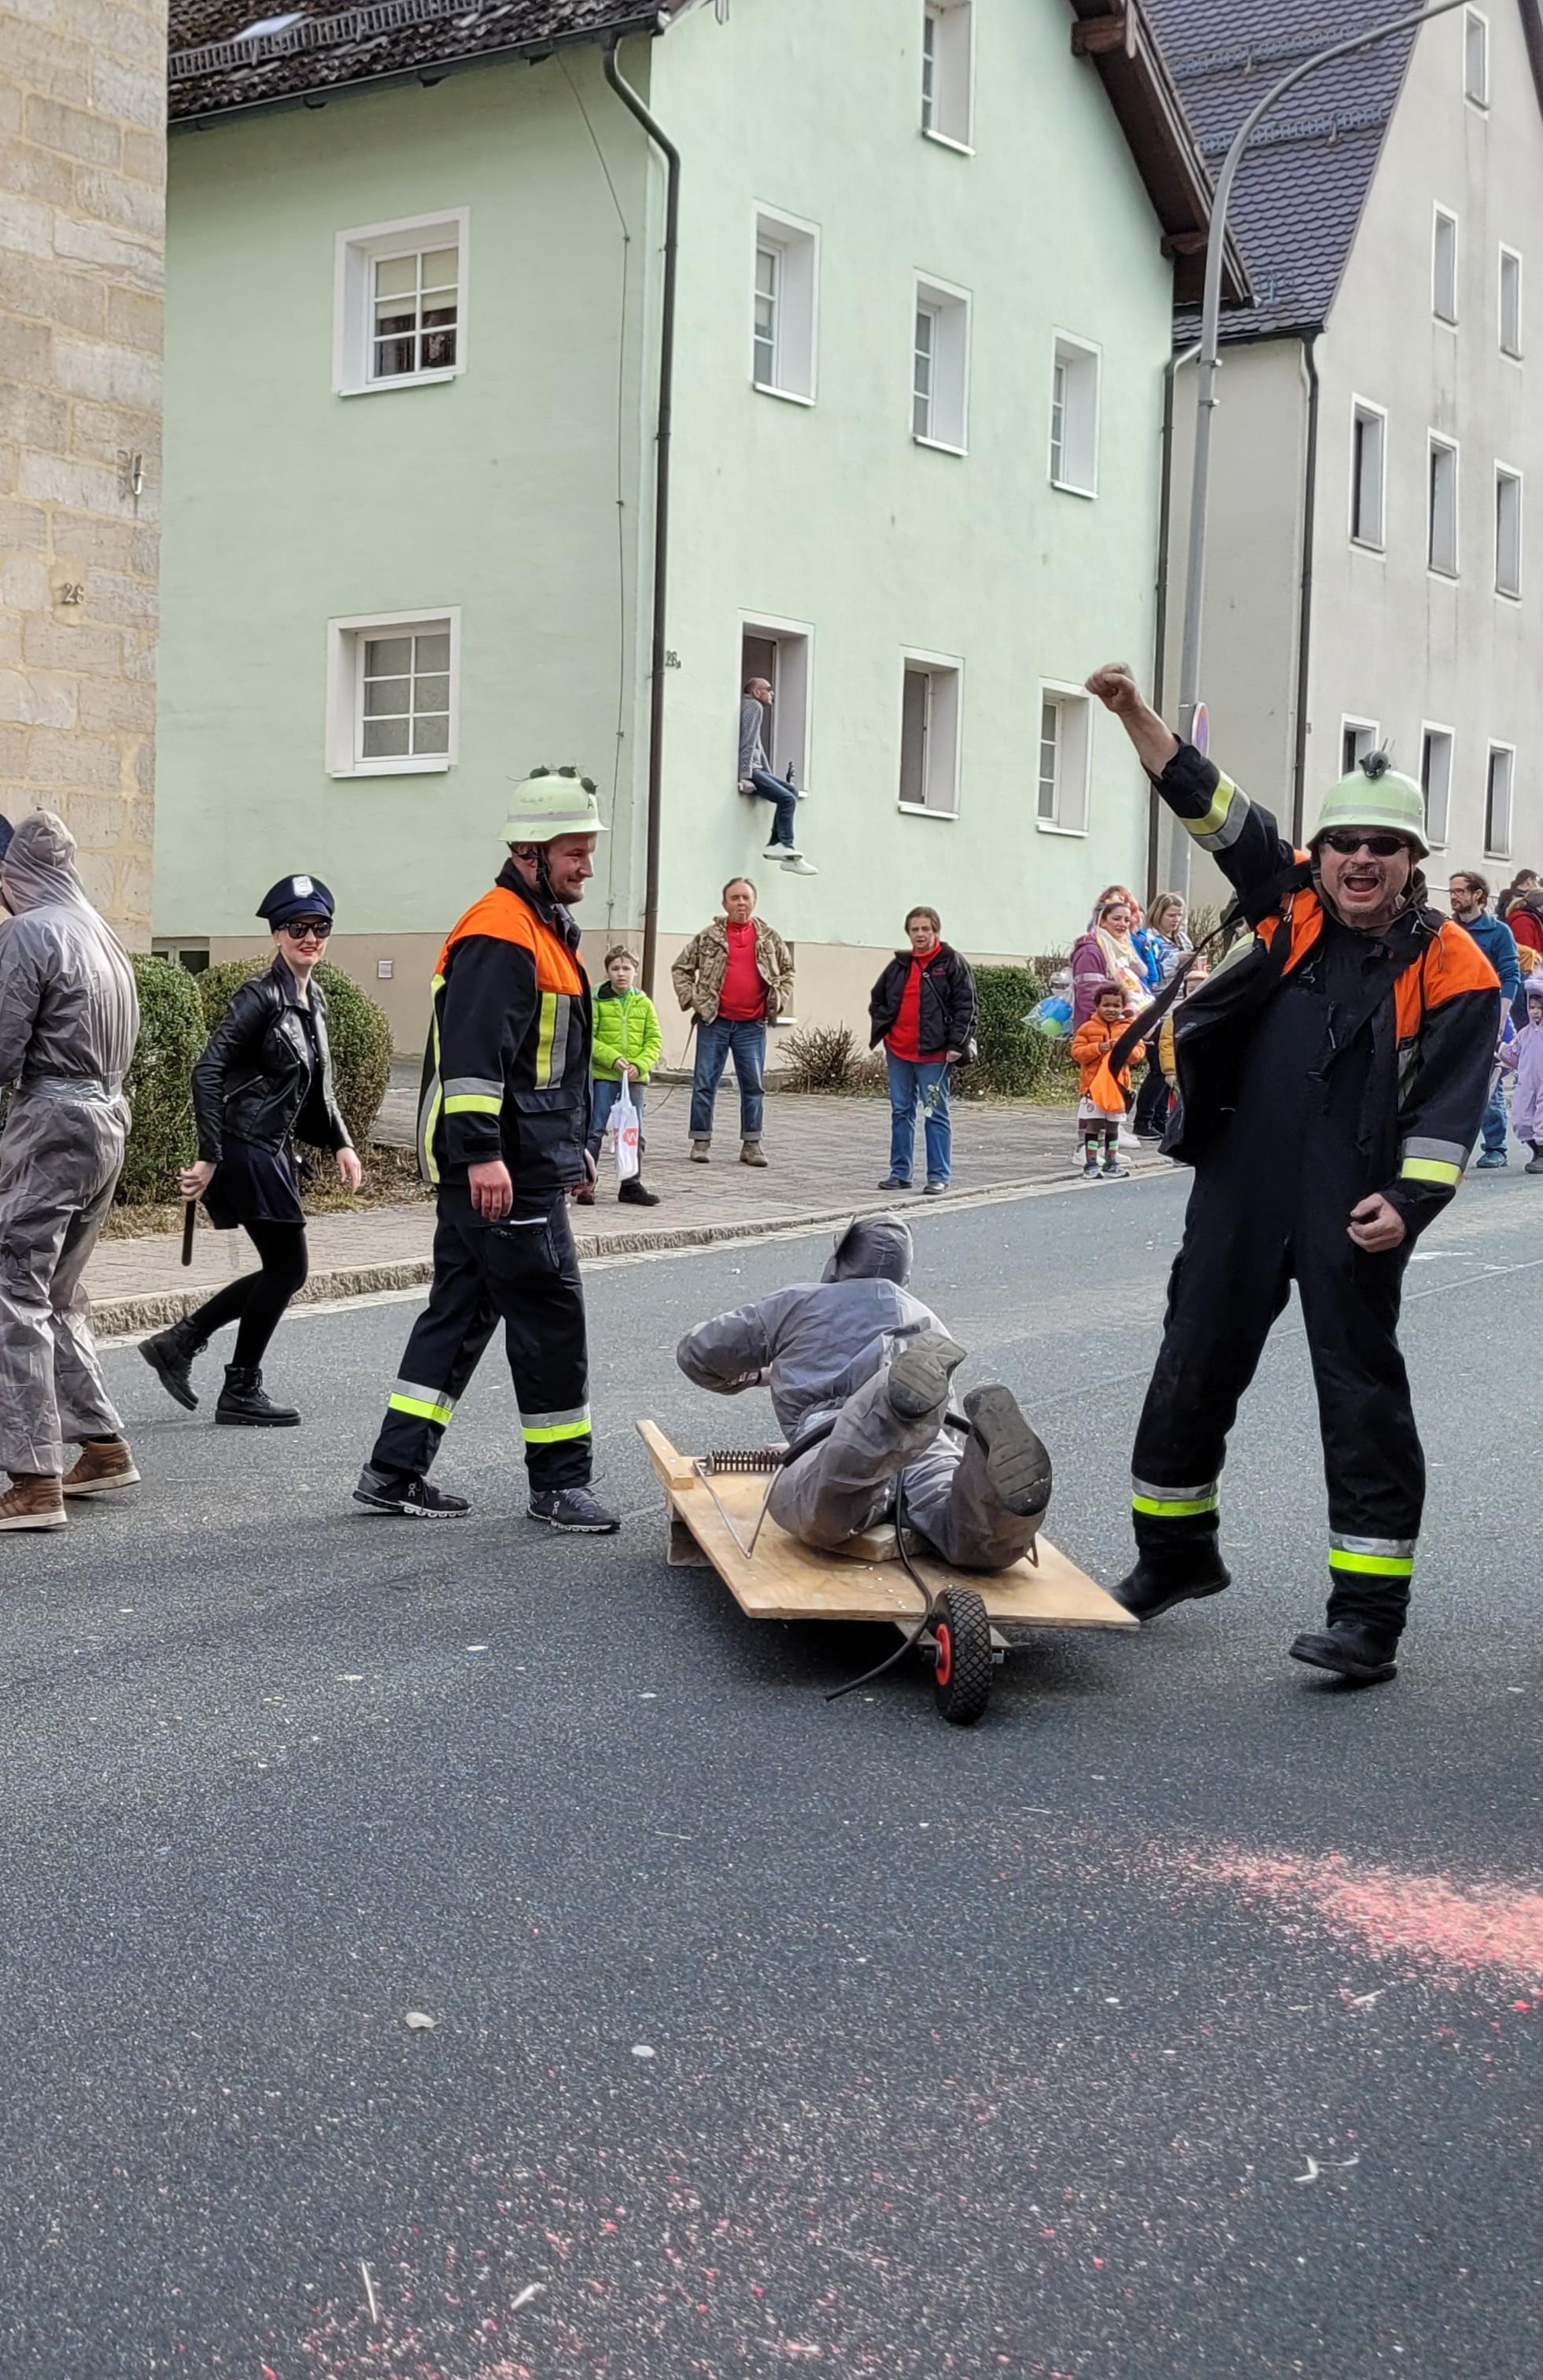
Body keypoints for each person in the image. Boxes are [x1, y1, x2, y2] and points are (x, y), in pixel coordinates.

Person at [1087, 662, 1498, 1686]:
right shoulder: (1286, 897)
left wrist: (1405, 1205)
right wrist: (1132, 711)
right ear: (1318, 855)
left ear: (1412, 861)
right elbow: (1208, 801)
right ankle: (1172, 1554)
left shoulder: (1458, 970)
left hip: (1350, 1200)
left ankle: (1366, 1618)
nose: (1360, 862)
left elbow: (1448, 1120)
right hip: (1241, 1180)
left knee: (1358, 1397)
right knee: (1190, 1362)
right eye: (1345, 844)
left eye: (1384, 847)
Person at [353, 767, 619, 1531]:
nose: (587, 867)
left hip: (511, 1163)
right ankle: (559, 1487)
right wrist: (483, 1157)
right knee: (549, 1316)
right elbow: (474, 1059)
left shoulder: (528, 926)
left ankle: (392, 1471)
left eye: (589, 851)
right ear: (532, 852)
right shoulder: (504, 931)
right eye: (576, 852)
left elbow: (539, 1065)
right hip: (503, 1172)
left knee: (460, 1312)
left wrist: (571, 1149)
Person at [676, 1212, 1052, 1569]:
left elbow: (699, 1353)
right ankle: (993, 1500)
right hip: (927, 1439)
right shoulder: (927, 1321)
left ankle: (880, 1416)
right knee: (958, 1524)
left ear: (838, 1260)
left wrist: (750, 1377)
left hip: (830, 1431)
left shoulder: (798, 1304)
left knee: (816, 1507)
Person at [139, 878, 361, 1425]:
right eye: (297, 928)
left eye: (320, 928)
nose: (310, 938)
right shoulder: (260, 995)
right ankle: (233, 1383)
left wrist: (341, 1144)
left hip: (272, 1148)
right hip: (244, 1146)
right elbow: (208, 1069)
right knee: (287, 1269)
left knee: (283, 1269)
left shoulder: (315, 998)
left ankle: (183, 1344)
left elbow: (318, 1086)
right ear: (277, 933)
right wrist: (210, 1154)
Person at [0, 810, 140, 1531]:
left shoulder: (29, 931)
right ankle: (103, 1444)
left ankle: (32, 1480)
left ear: (8, 874)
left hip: (52, 1122)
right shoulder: (100, 931)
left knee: (12, 1289)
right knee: (59, 1291)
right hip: (107, 1119)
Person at [673, 878, 795, 1167]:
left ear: (754, 901)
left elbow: (788, 971)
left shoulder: (768, 937)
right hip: (715, 1021)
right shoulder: (709, 937)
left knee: (753, 1086)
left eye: (746, 898)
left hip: (751, 1025)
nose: (741, 903)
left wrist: (778, 998)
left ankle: (752, 1144)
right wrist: (694, 1000)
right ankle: (701, 1140)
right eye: (735, 898)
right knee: (704, 1083)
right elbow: (681, 967)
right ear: (725, 903)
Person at [868, 907, 976, 1195]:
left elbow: (967, 1007)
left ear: (936, 931)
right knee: (901, 1111)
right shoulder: (899, 966)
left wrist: (956, 1045)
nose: (920, 934)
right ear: (908, 933)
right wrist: (886, 1030)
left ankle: (938, 1175)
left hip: (935, 1056)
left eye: (925, 929)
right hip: (899, 1052)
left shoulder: (951, 963)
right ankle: (900, 1173)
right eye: (914, 929)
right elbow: (877, 999)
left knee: (935, 1113)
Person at [1446, 870, 1521, 1169]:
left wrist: (1502, 1017)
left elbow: (1511, 976)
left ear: (1478, 894)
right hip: (1452, 1017)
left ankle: (1495, 1146)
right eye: (1451, 891)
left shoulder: (1498, 932)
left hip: (1489, 1017)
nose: (1453, 896)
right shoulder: (1448, 930)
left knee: (1487, 1087)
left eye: (1460, 891)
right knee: (1448, 1085)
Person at [578, 942, 662, 1209]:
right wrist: (612, 1058)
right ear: (608, 972)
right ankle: (586, 1182)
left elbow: (654, 1039)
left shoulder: (643, 1003)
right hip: (605, 1075)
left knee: (633, 1131)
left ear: (635, 972)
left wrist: (640, 1063)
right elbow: (588, 1038)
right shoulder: (597, 1001)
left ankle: (631, 1183)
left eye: (626, 968)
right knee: (596, 1128)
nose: (621, 973)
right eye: (615, 968)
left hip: (634, 1079)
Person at [738, 678, 818, 876]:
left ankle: (778, 844)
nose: (772, 693)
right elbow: (747, 741)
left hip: (757, 769)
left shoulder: (753, 707)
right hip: (751, 770)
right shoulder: (753, 706)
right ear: (757, 693)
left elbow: (759, 748)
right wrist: (745, 775)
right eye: (769, 689)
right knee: (787, 799)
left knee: (791, 791)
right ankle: (784, 843)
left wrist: (769, 776)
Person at [1071, 982, 1143, 1180]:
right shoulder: (1087, 1028)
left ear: (1123, 1007)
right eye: (1106, 1005)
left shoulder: (1129, 1029)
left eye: (1116, 1005)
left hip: (1118, 1089)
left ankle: (1112, 1161)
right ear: (1097, 1006)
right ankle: (1091, 1163)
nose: (1111, 1010)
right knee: (1093, 1125)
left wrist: (1124, 1050)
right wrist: (1097, 1048)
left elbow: (1139, 1052)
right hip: (1093, 1088)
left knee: (1113, 1126)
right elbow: (1077, 1052)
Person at [1132, 892, 1190, 1136]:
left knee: (1172, 1067)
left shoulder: (1182, 940)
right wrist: (1176, 961)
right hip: (1158, 1008)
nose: (1175, 920)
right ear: (1159, 914)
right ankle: (1142, 1121)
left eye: (1179, 916)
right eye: (1171, 915)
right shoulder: (1149, 940)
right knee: (1158, 1068)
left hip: (1178, 1008)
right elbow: (1152, 977)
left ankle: (1159, 1118)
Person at [1069, 893, 1147, 1026]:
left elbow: (1141, 973)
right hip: (1095, 1029)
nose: (1123, 924)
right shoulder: (1090, 951)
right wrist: (1110, 1021)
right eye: (1117, 918)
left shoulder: (1123, 950)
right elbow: (1088, 995)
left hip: (1120, 1025)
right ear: (1103, 921)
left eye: (1127, 920)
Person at [1497, 977, 1543, 1172]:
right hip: (1527, 1085)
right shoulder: (1525, 1033)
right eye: (1532, 1007)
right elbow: (1514, 1056)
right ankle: (1537, 1152)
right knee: (1522, 1119)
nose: (1535, 1011)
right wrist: (1500, 1047)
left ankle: (1542, 1155)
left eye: (1539, 1007)